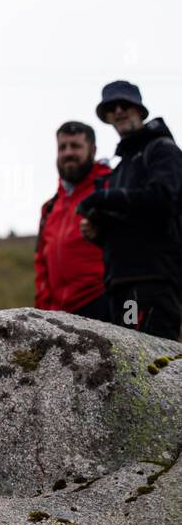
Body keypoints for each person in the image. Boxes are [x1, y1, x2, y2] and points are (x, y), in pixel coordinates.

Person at [77, 81, 182, 340]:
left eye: (126, 105)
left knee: (153, 364)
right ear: (107, 117)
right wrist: (98, 231)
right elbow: (130, 224)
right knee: (132, 358)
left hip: (154, 281)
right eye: (112, 108)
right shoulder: (120, 168)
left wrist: (105, 197)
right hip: (123, 286)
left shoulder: (162, 149)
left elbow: (163, 199)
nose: (120, 111)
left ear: (140, 110)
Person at [35, 122, 112, 321]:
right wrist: (45, 313)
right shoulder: (50, 207)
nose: (68, 153)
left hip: (106, 306)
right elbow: (41, 264)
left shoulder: (110, 189)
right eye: (62, 147)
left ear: (92, 150)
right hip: (58, 317)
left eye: (75, 146)